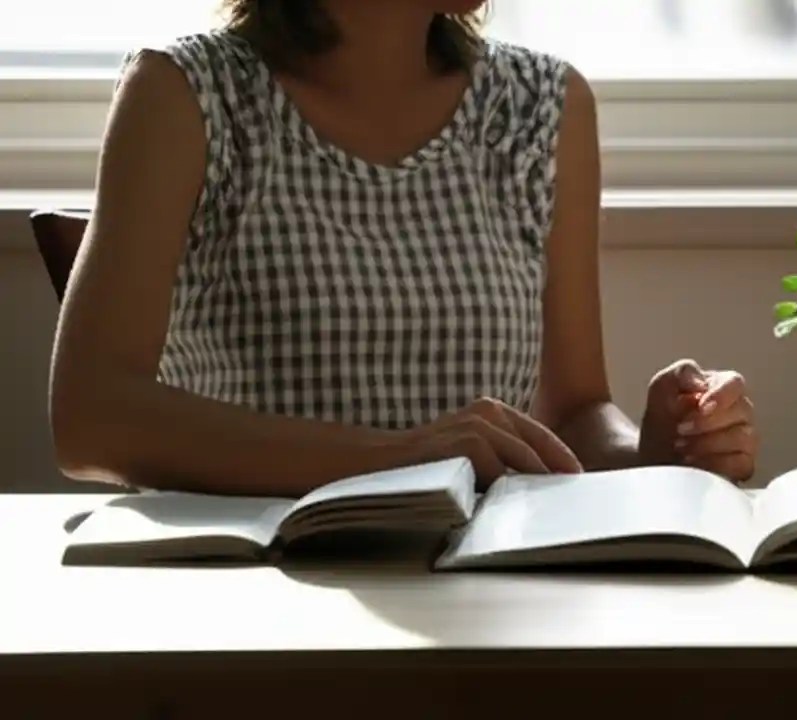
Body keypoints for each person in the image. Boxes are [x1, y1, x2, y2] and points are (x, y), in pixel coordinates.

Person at [48, 0, 758, 497]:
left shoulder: (545, 106)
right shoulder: (182, 95)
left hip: (490, 608)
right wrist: (394, 462)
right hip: (253, 605)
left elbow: (574, 413)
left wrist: (657, 454)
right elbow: (91, 419)